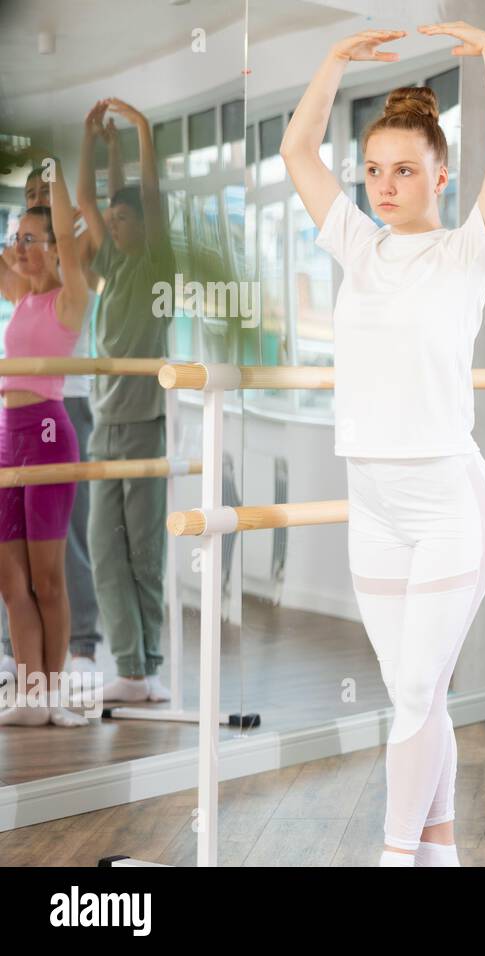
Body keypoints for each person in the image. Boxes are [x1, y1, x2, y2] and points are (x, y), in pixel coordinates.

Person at [282, 22, 485, 865]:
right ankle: (440, 851)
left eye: (406, 171)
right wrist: (336, 60)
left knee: (419, 688)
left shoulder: (469, 254)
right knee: (411, 693)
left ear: (441, 175)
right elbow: (297, 149)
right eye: (375, 171)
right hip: (374, 502)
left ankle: (392, 855)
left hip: (450, 499)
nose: (385, 186)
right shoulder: (357, 245)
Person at [76, 98, 177, 704]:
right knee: (103, 548)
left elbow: (150, 199)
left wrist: (141, 130)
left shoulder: (156, 264)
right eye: (111, 224)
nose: (112, 227)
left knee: (143, 549)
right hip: (104, 423)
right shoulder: (112, 261)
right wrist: (98, 145)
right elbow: (94, 203)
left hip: (143, 423)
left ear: (142, 226)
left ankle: (149, 668)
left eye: (123, 221)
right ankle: (128, 666)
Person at [0, 166, 102, 688]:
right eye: (16, 239)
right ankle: (29, 693)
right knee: (12, 582)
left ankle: (54, 691)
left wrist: (56, 176)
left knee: (47, 580)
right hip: (7, 435)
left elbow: (66, 231)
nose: (19, 248)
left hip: (46, 434)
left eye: (30, 239)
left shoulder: (70, 299)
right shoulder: (19, 296)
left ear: (56, 247)